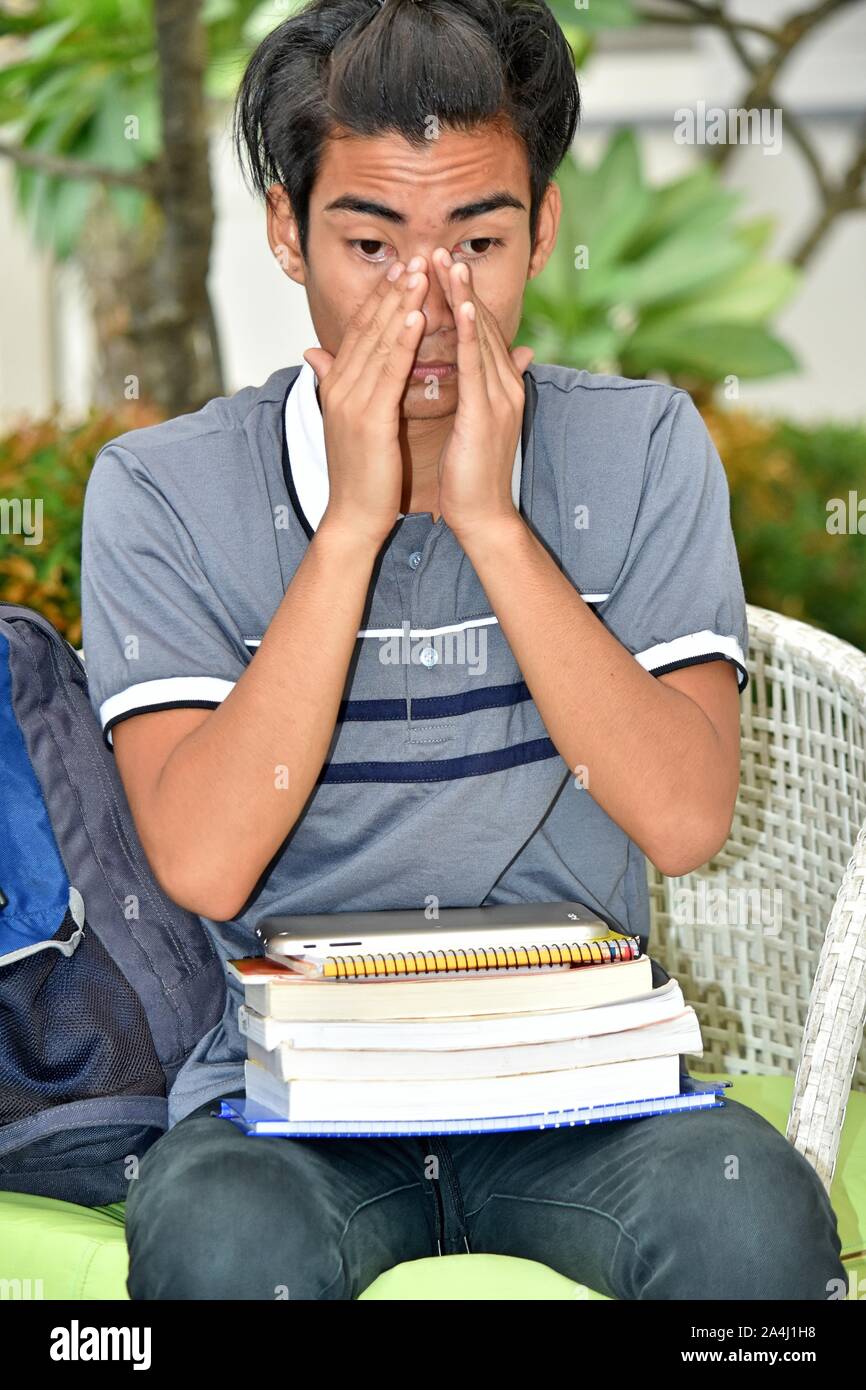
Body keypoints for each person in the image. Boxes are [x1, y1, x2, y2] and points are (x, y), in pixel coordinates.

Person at [80, 0, 845, 1300]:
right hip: (289, 1107)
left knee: (752, 1227)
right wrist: (354, 529)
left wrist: (491, 523)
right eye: (369, 243)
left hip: (589, 1096)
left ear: (543, 227)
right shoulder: (160, 490)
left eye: (476, 241)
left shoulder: (643, 449)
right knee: (222, 1249)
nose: (427, 301)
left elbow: (679, 815)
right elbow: (207, 860)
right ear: (285, 230)